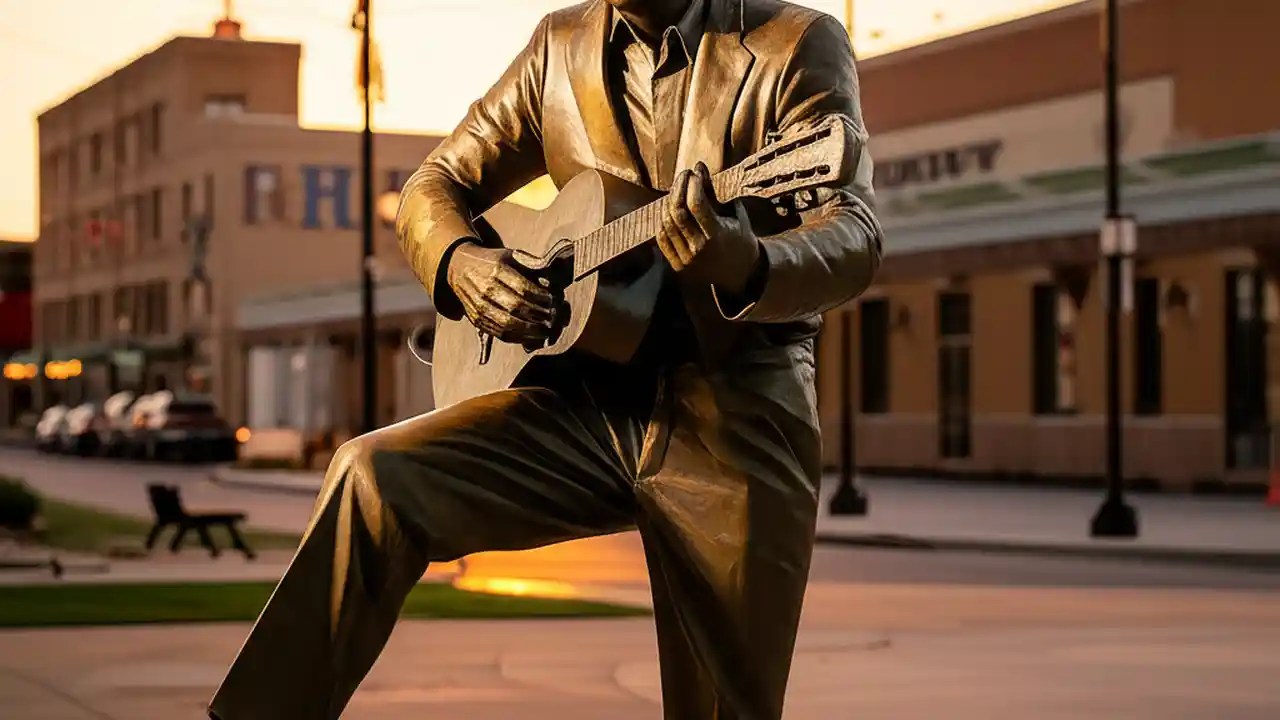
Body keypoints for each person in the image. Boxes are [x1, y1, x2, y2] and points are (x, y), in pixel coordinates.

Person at [208, 0, 882, 718]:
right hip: (582, 405)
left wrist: (746, 262)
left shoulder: (795, 43)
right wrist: (462, 263)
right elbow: (433, 187)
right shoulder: (559, 47)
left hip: (735, 408)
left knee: (721, 704)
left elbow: (854, 233)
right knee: (372, 478)